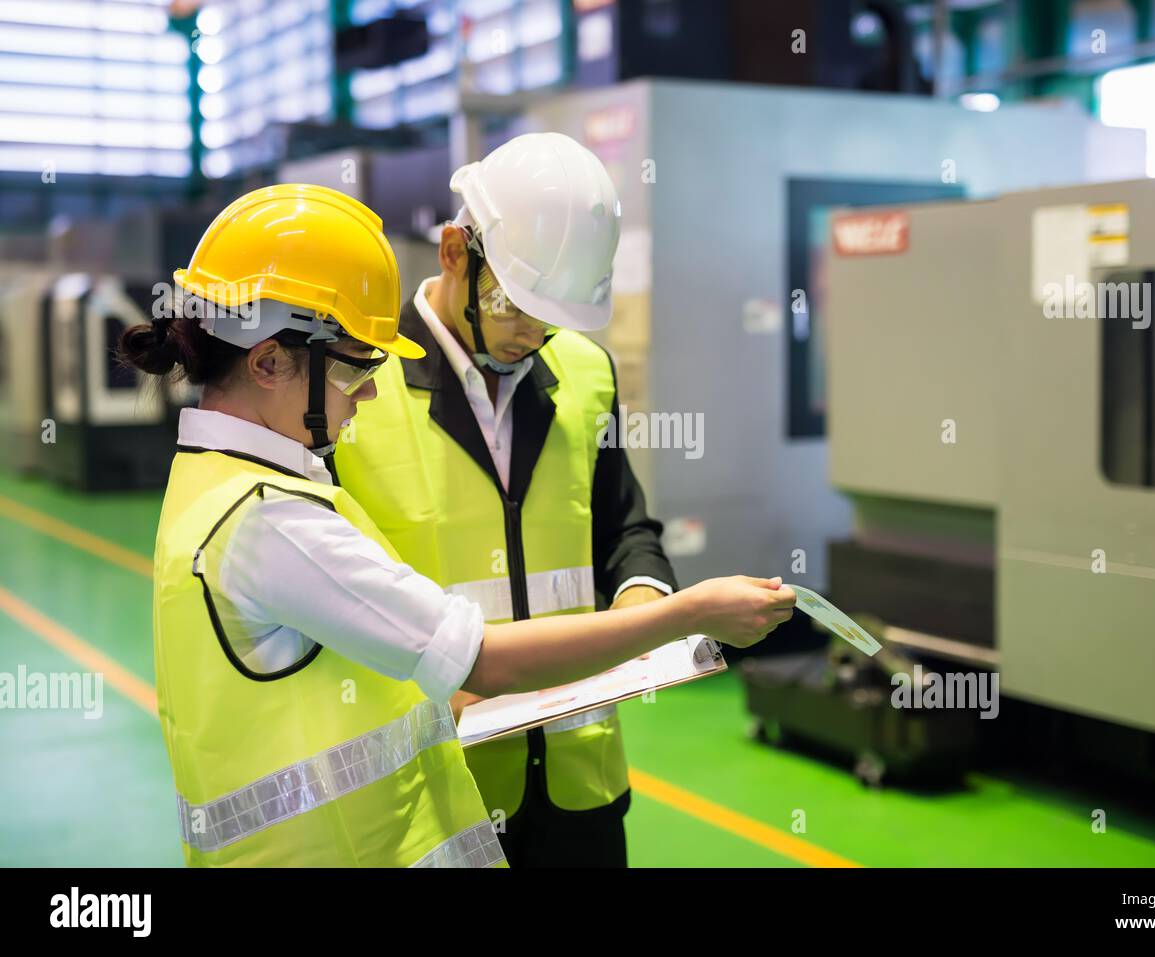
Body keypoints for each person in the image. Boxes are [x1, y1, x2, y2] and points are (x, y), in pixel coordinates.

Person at [122, 183, 794, 867]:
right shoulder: (271, 518)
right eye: (356, 372)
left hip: (571, 777)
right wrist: (690, 614)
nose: (372, 392)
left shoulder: (216, 478)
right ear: (267, 361)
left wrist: (648, 594)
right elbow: (483, 659)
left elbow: (622, 521)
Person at [333, 133, 673, 866]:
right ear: (456, 250)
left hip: (581, 787)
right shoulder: (354, 388)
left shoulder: (586, 373)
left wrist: (642, 591)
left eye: (552, 315)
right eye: (515, 303)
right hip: (437, 797)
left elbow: (624, 525)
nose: (532, 333)